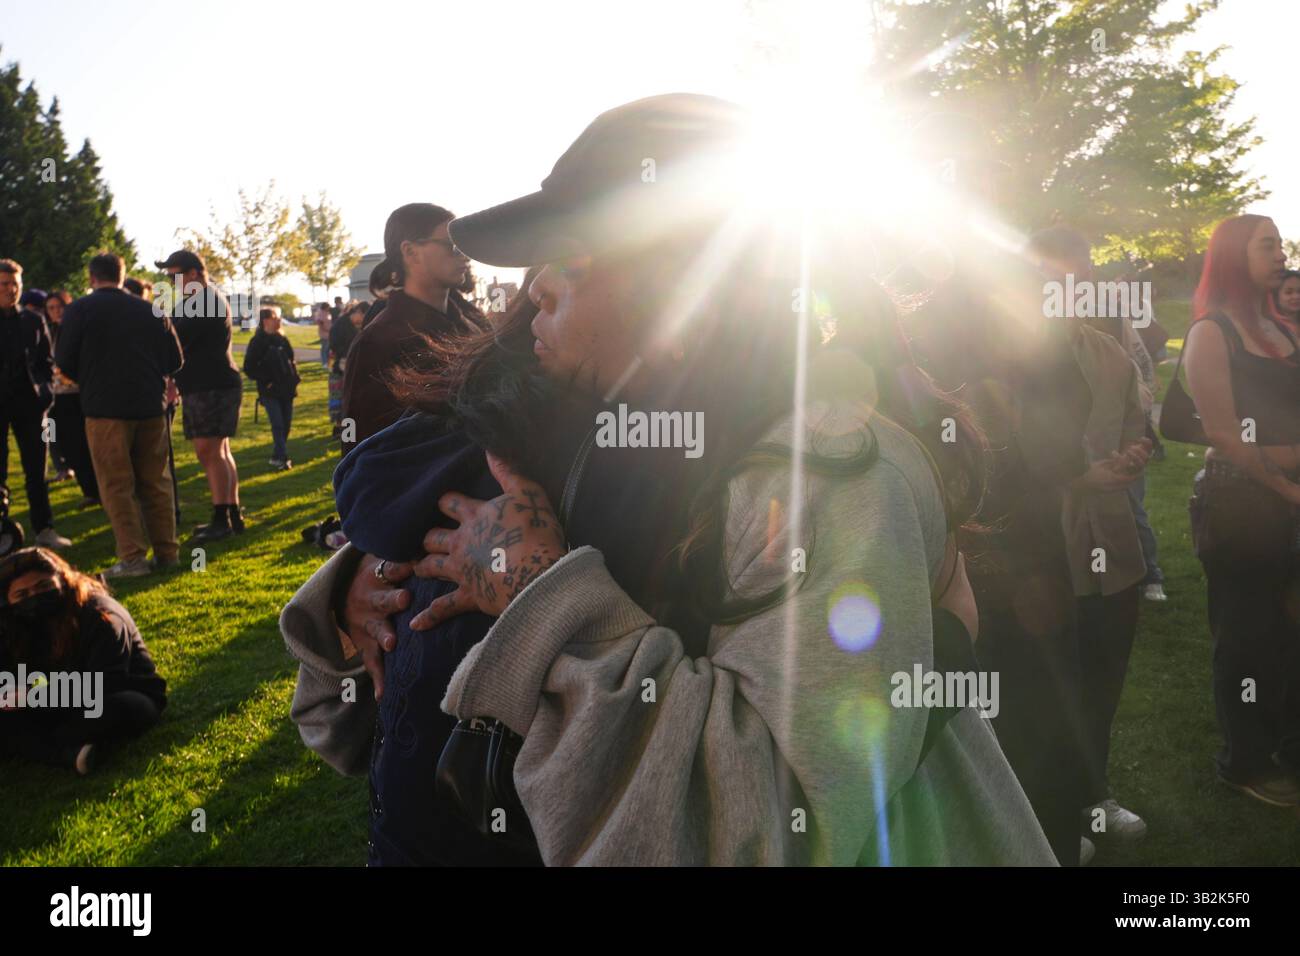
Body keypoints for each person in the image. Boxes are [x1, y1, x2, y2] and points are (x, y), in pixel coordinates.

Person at [283, 94, 1054, 866]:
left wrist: (539, 600)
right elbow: (351, 725)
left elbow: (766, 830)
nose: (534, 289)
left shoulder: (832, 472)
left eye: (572, 258)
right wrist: (370, 588)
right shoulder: (575, 432)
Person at [1027, 226, 1152, 849]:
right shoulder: (1005, 359)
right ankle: (1042, 809)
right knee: (1046, 690)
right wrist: (1075, 476)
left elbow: (1139, 423)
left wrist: (1134, 451)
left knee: (1102, 681)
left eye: (1077, 276)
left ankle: (1091, 798)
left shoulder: (1110, 352)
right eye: (1052, 276)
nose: (1067, 288)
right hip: (1043, 550)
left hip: (1114, 542)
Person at [1184, 214, 1300, 807]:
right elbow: (1226, 436)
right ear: (1234, 256)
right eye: (1266, 244)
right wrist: (1287, 487)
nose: (1280, 252)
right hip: (1239, 504)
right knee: (1247, 638)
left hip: (1288, 500)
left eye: (1281, 242)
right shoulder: (1213, 333)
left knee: (1289, 629)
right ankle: (1244, 764)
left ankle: (1284, 743)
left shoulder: (1284, 329)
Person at [56, 252, 184, 578]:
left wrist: (91, 378)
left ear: (91, 277)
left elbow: (65, 360)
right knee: (157, 481)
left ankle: (132, 558)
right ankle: (168, 552)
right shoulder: (149, 309)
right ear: (122, 273)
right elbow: (175, 359)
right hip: (150, 406)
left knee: (117, 484)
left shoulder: (80, 309)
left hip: (105, 409)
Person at [0, 547, 166, 775]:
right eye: (22, 595)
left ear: (63, 581)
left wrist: (32, 697)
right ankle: (69, 754)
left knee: (112, 709)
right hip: (56, 701)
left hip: (114, 695)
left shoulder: (100, 615)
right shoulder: (17, 622)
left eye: (43, 587)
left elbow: (107, 682)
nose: (34, 597)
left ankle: (52, 749)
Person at [339, 203, 483, 454]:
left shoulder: (474, 323)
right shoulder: (377, 342)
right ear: (410, 252)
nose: (464, 255)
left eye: (465, 244)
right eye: (452, 245)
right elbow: (355, 438)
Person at [155, 249, 245, 542]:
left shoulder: (203, 301)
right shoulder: (202, 300)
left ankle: (223, 519)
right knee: (220, 451)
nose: (171, 282)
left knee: (210, 451)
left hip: (211, 386)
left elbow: (173, 339)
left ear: (193, 273)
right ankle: (231, 514)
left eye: (174, 275)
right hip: (213, 383)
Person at [0, 259, 71, 550]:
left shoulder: (32, 319)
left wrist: (45, 391)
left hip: (31, 405)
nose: (11, 289)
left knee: (36, 470)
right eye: (4, 284)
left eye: (15, 284)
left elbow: (45, 359)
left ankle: (44, 528)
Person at [44, 289, 100, 506]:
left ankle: (96, 489)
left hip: (77, 394)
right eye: (51, 308)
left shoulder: (77, 330)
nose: (56, 312)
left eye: (60, 307)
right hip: (55, 395)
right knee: (66, 445)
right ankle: (89, 490)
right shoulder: (47, 331)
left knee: (84, 444)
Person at [242, 306, 300, 470]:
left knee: (286, 424)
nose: (279, 320)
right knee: (278, 424)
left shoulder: (282, 339)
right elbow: (249, 367)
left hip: (287, 389)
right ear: (266, 320)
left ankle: (276, 455)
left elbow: (291, 359)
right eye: (275, 317)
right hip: (270, 391)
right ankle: (282, 458)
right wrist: (267, 380)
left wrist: (294, 379)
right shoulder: (257, 342)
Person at [314, 303, 332, 370]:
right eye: (328, 307)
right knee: (324, 348)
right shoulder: (320, 313)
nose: (329, 308)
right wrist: (325, 329)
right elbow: (320, 322)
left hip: (329, 333)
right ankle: (324, 363)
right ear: (325, 307)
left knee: (327, 349)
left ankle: (327, 363)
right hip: (324, 333)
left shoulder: (327, 312)